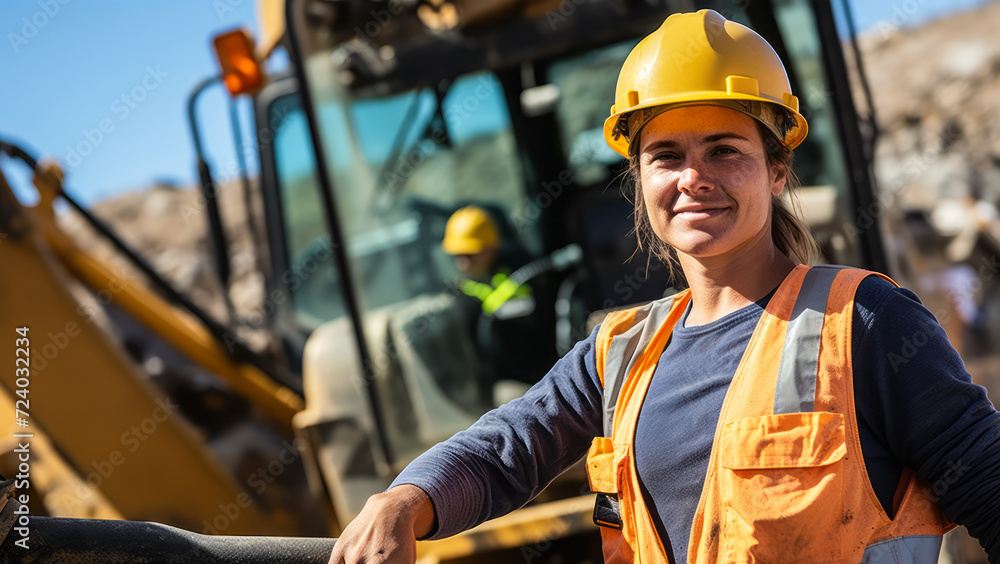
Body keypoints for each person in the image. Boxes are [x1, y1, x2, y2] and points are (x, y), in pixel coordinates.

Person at [328, 10, 1000, 564]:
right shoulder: (618, 351)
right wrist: (404, 499)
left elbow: (987, 480)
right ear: (640, 181)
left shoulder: (865, 322)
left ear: (776, 171)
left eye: (724, 151)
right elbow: (507, 449)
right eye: (666, 156)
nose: (692, 178)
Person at [441, 205, 533, 318]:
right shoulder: (460, 289)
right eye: (458, 255)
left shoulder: (520, 271)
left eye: (469, 255)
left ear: (489, 248)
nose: (463, 264)